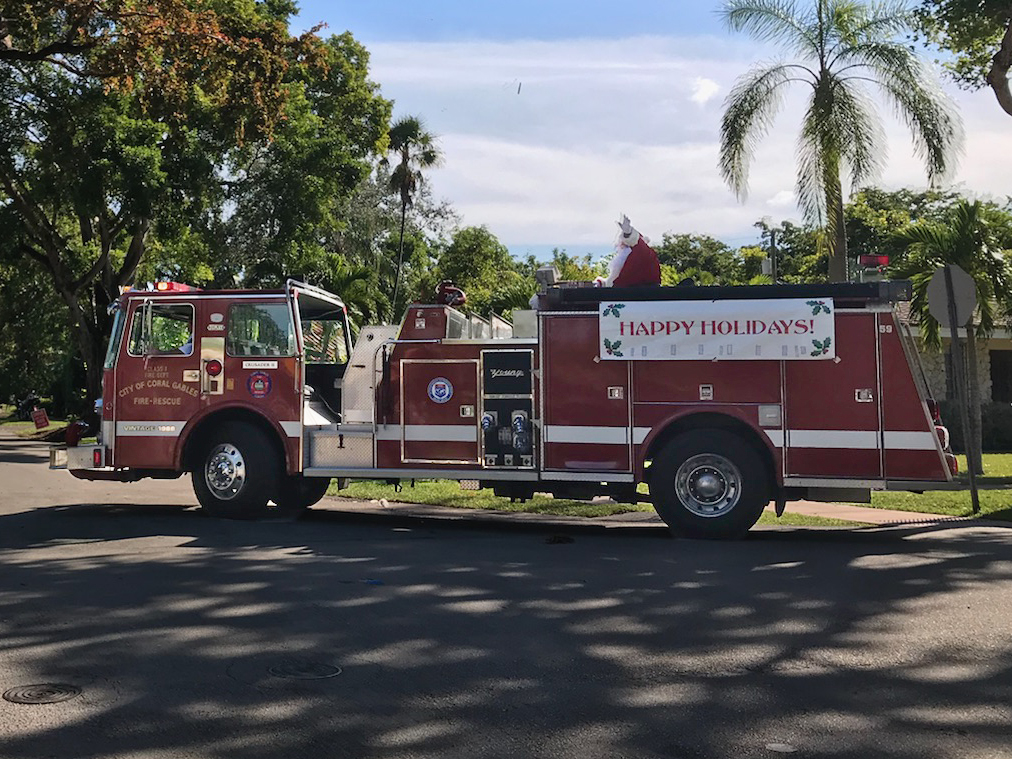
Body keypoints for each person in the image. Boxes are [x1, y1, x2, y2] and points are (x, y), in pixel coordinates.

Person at [601, 214, 661, 287]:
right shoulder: (624, 262)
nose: (621, 246)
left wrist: (628, 234)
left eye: (624, 243)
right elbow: (616, 282)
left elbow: (637, 243)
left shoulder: (643, 253)